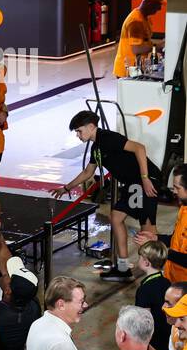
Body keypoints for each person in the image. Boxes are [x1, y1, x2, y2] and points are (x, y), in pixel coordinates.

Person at [54, 110, 158, 281]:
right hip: (133, 184)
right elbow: (88, 172)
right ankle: (123, 268)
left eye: (79, 131)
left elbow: (139, 148)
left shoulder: (108, 138)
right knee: (116, 217)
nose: (78, 135)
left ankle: (158, 272)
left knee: (147, 229)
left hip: (144, 180)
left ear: (90, 126)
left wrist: (145, 178)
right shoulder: (96, 147)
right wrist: (66, 188)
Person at [112, 0, 163, 78]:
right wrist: (157, 47)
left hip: (136, 68)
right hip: (128, 70)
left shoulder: (145, 18)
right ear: (149, 4)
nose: (159, 9)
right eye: (157, 6)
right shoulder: (135, 21)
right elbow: (136, 49)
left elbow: (145, 42)